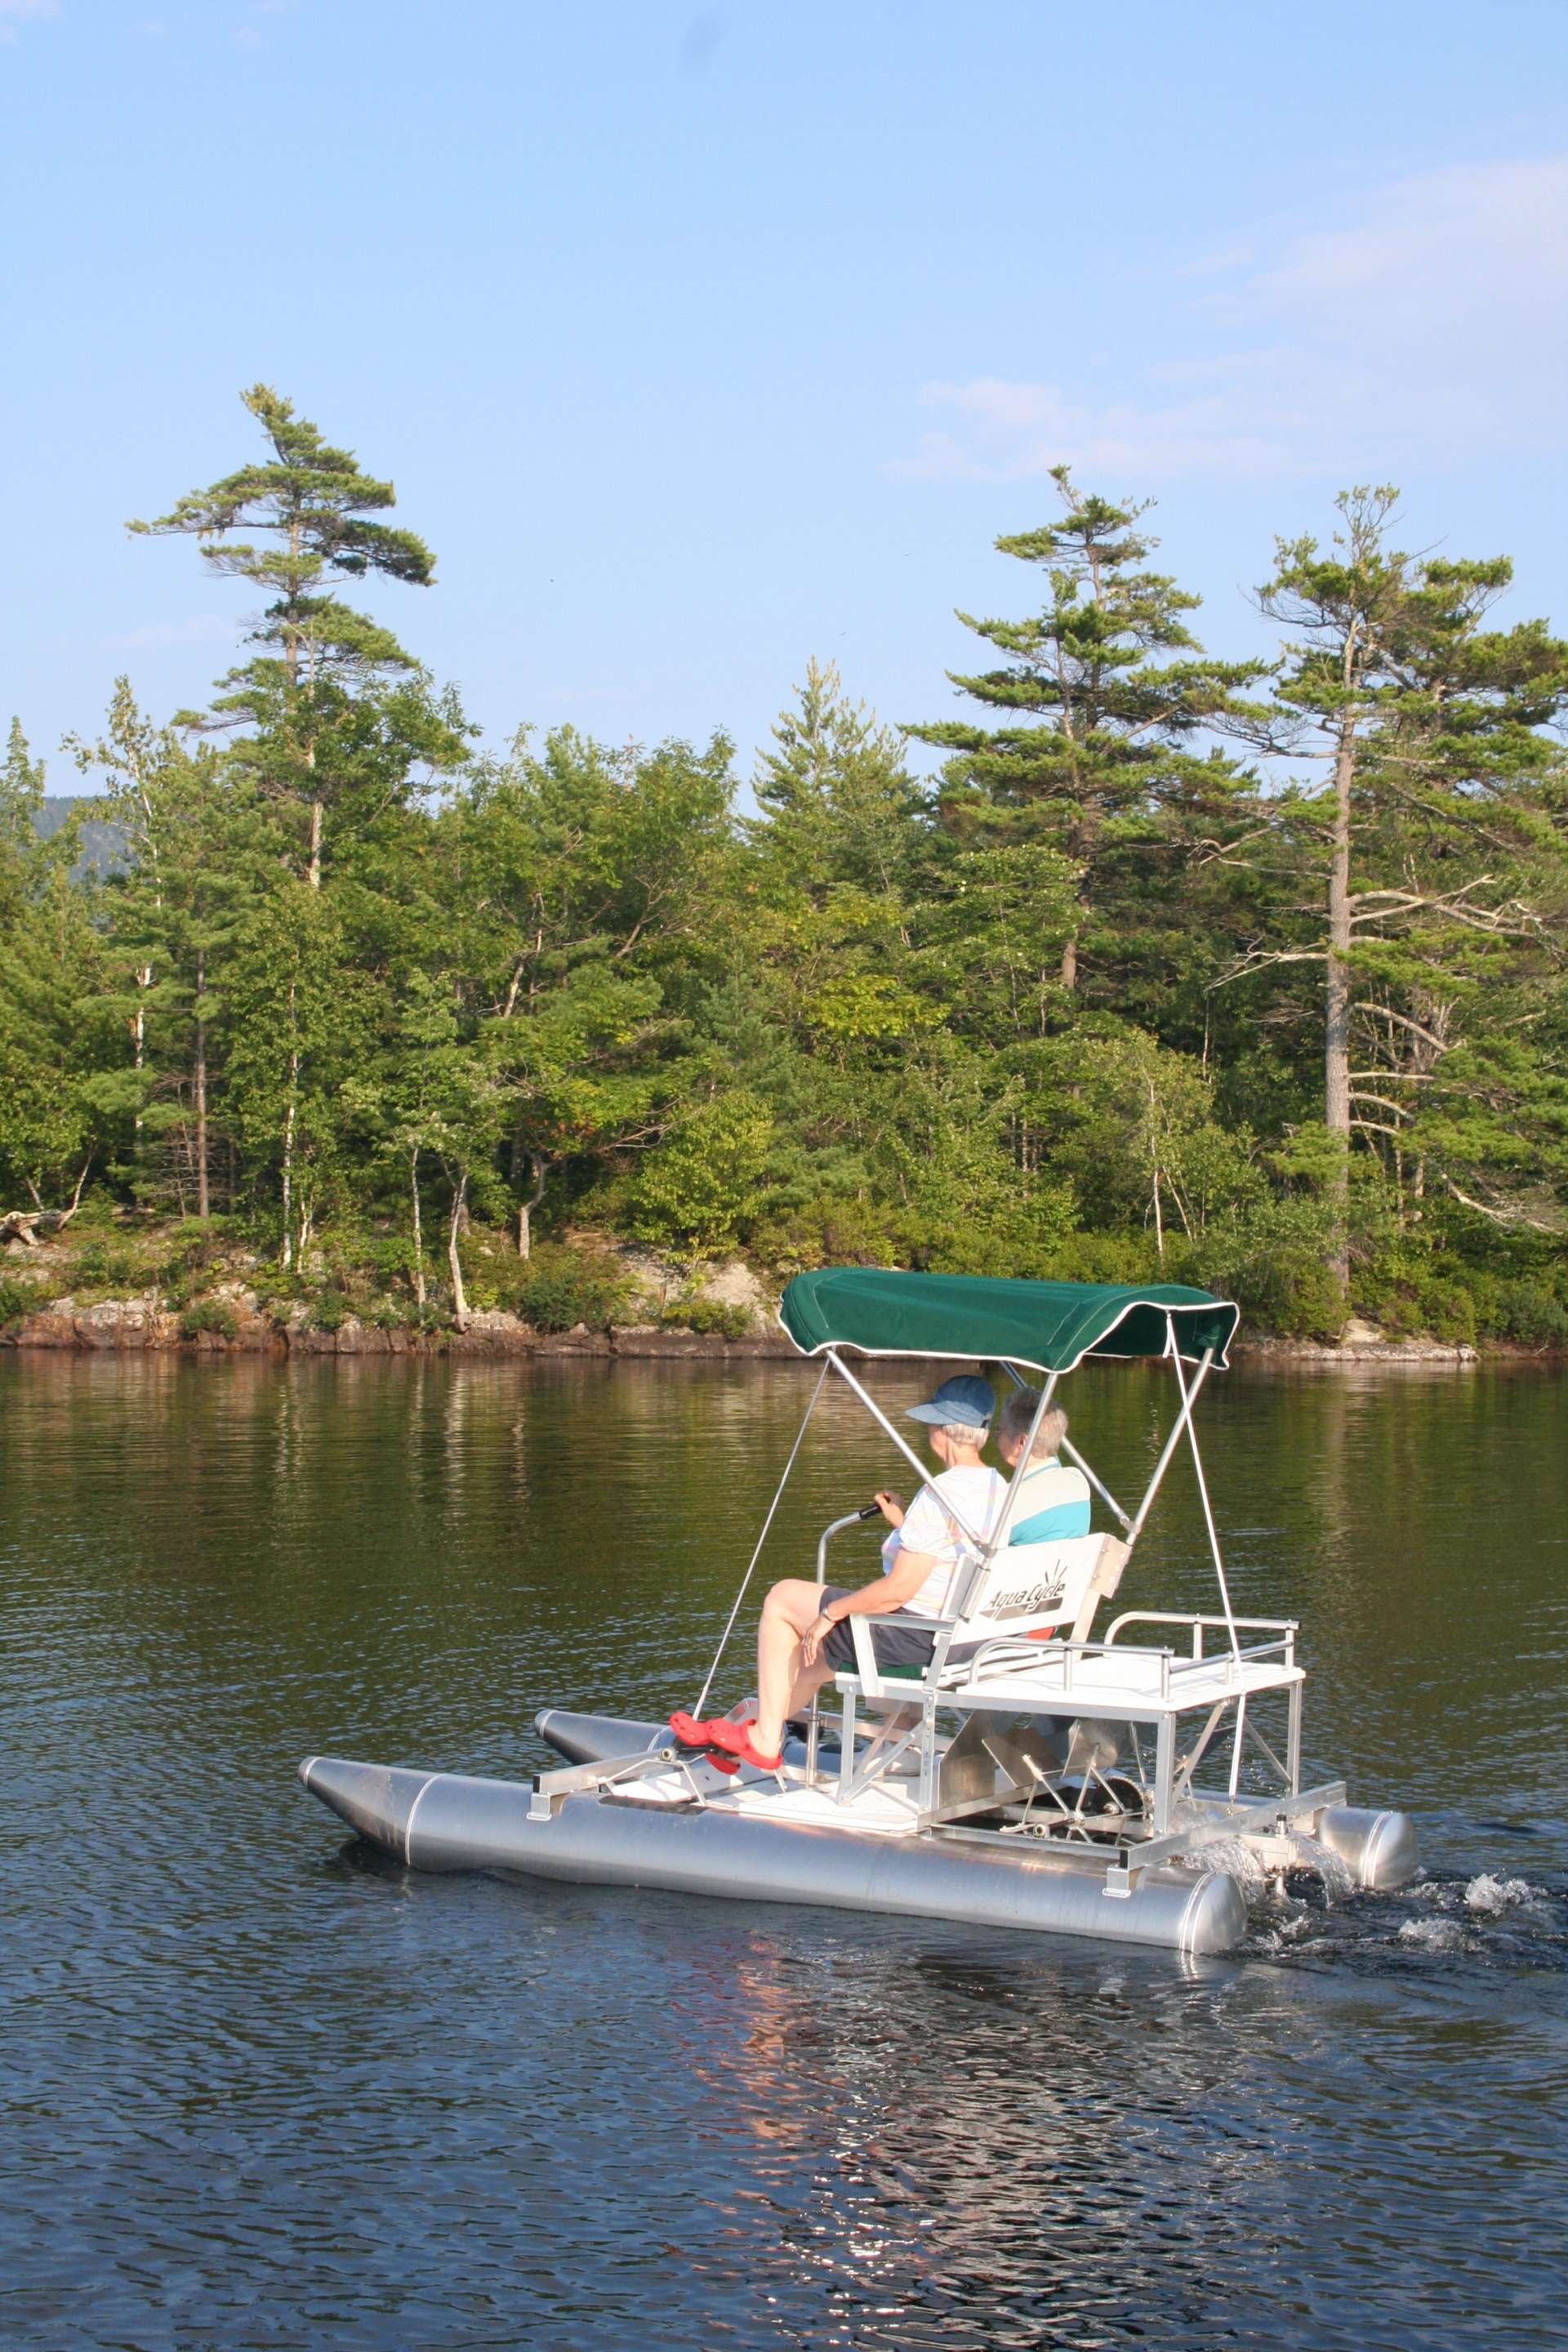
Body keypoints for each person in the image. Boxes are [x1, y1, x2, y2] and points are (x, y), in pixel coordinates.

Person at [670, 1374, 1005, 1773]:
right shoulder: (997, 1487)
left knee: (781, 1598)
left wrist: (831, 1614)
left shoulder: (939, 1493)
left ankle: (764, 1740)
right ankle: (745, 1735)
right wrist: (904, 1524)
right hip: (966, 1639)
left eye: (932, 1422)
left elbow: (898, 1591)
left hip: (916, 1638)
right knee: (809, 1661)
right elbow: (947, 1556)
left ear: (944, 1430)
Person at [995, 1390, 1091, 1543]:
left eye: (998, 1432)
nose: (995, 1439)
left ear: (1021, 1442)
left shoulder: (1005, 1501)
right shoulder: (1079, 1483)